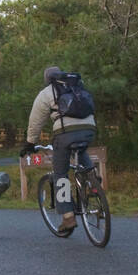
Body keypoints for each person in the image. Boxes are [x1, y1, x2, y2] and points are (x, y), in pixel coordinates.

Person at [22, 66, 97, 235]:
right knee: (81, 149)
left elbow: (36, 120)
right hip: (89, 129)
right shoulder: (77, 85)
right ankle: (93, 180)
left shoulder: (47, 92)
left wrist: (30, 143)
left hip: (65, 134)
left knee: (60, 174)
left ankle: (68, 217)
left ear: (48, 79)